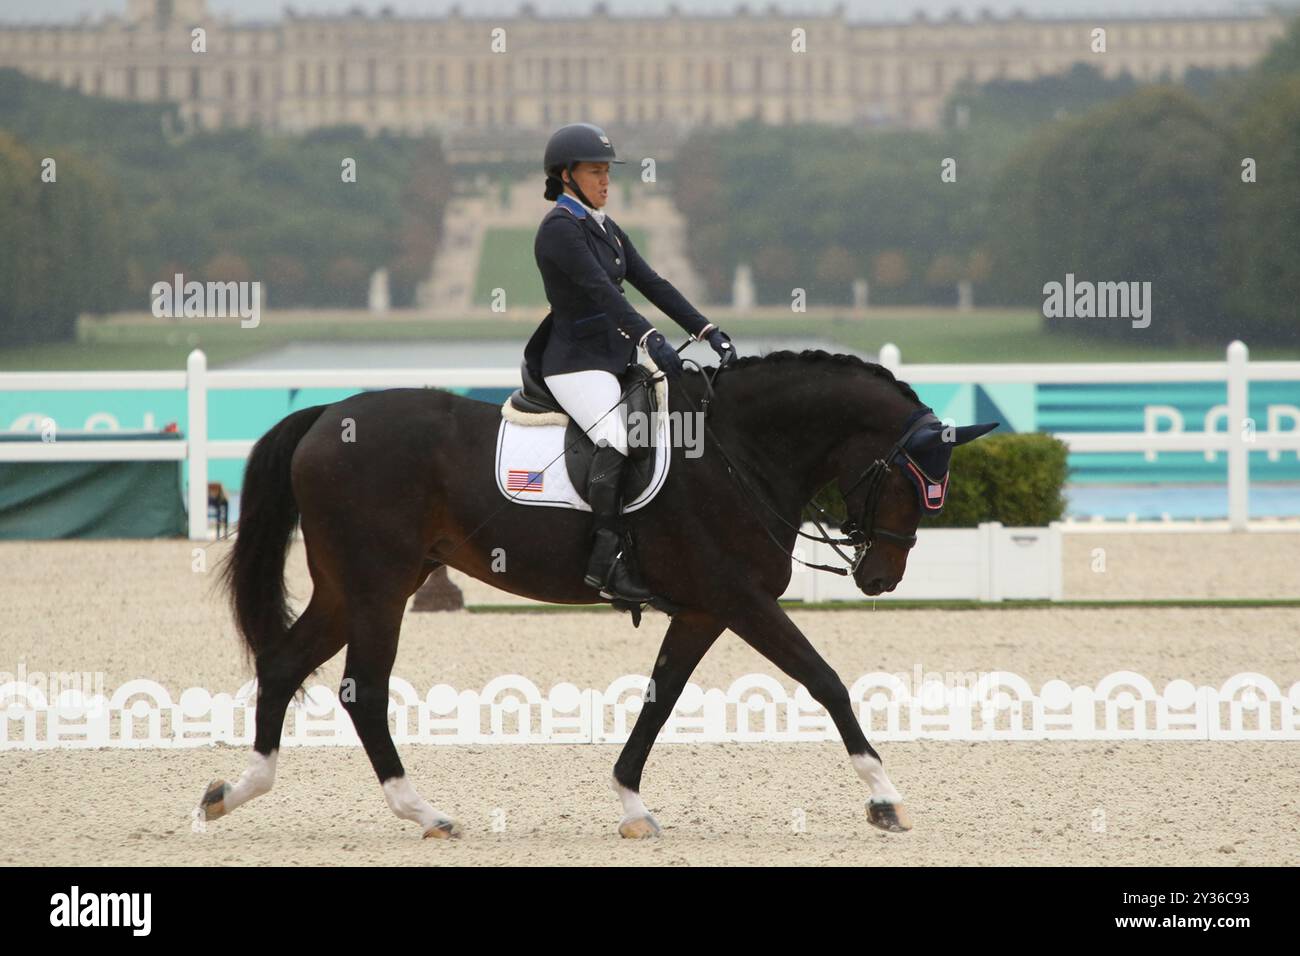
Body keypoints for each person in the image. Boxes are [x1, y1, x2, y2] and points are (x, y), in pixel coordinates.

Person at [523, 122, 735, 603]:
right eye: (595, 172)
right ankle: (606, 561)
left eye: (606, 173)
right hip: (576, 364)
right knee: (616, 439)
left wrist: (705, 329)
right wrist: (651, 338)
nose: (605, 181)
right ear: (565, 176)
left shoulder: (605, 227)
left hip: (613, 359)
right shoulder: (559, 229)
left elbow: (651, 281)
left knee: (675, 427)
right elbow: (601, 293)